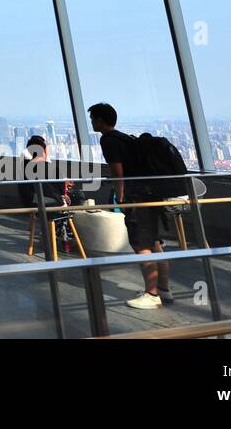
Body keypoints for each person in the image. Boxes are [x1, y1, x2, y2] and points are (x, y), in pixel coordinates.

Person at [89, 103, 171, 309]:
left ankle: (151, 295)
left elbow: (118, 172)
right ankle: (163, 290)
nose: (91, 122)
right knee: (155, 242)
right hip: (152, 193)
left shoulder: (108, 141)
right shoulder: (125, 138)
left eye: (93, 119)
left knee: (141, 245)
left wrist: (121, 197)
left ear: (100, 120)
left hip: (137, 197)